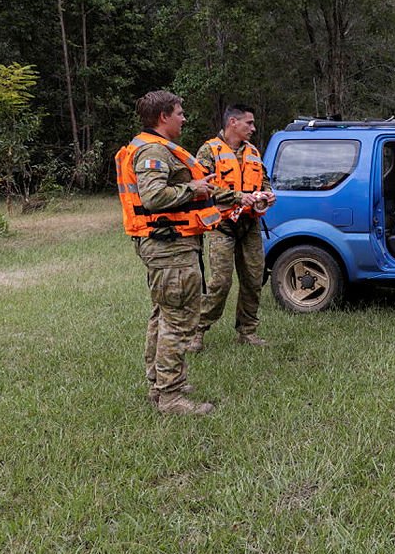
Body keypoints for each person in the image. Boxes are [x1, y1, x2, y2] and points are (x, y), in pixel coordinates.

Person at [115, 91, 255, 415]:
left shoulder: (153, 147)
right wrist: (194, 188)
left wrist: (233, 196)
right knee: (177, 321)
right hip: (169, 249)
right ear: (163, 116)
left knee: (163, 316)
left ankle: (159, 384)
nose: (184, 118)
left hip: (169, 246)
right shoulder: (152, 150)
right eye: (179, 113)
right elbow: (153, 197)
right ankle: (171, 397)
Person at [193, 105, 275, 350]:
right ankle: (198, 331)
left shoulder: (253, 152)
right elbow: (202, 185)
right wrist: (239, 197)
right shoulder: (209, 151)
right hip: (223, 225)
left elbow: (264, 181)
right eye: (248, 123)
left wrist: (268, 195)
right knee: (220, 282)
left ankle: (247, 331)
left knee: (253, 279)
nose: (253, 128)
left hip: (250, 225)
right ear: (232, 122)